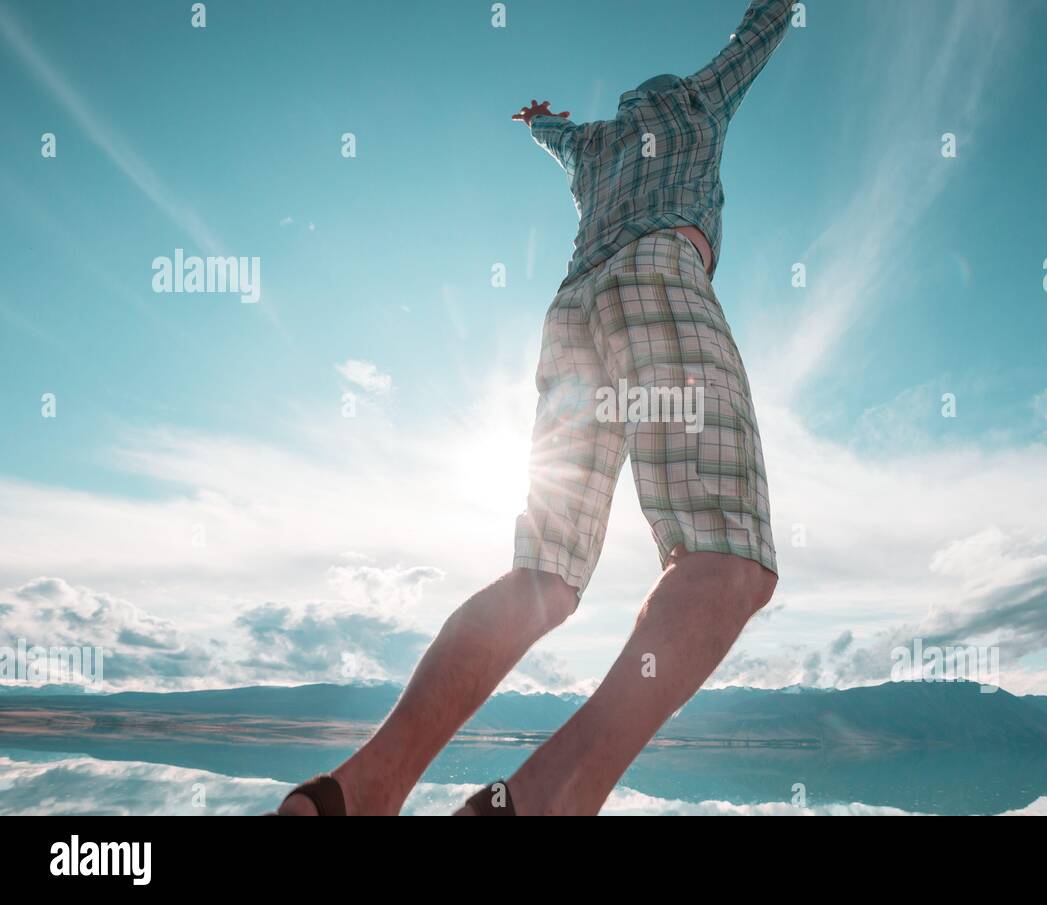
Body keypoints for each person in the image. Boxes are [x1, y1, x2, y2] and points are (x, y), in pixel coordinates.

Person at [277, 0, 795, 817]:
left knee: (543, 574)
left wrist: (542, 122)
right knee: (728, 555)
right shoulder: (695, 101)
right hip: (655, 277)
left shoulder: (593, 147)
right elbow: (755, 35)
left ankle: (360, 789)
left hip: (571, 313)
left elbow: (555, 137)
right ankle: (545, 799)